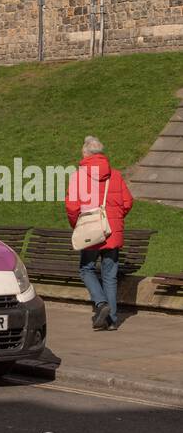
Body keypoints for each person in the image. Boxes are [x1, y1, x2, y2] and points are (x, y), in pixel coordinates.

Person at [65, 135, 133, 330]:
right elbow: (128, 202)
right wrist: (114, 219)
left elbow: (72, 207)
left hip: (90, 232)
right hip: (111, 232)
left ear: (86, 153)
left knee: (86, 269)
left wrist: (78, 225)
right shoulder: (116, 175)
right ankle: (112, 320)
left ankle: (101, 303)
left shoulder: (79, 175)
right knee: (110, 276)